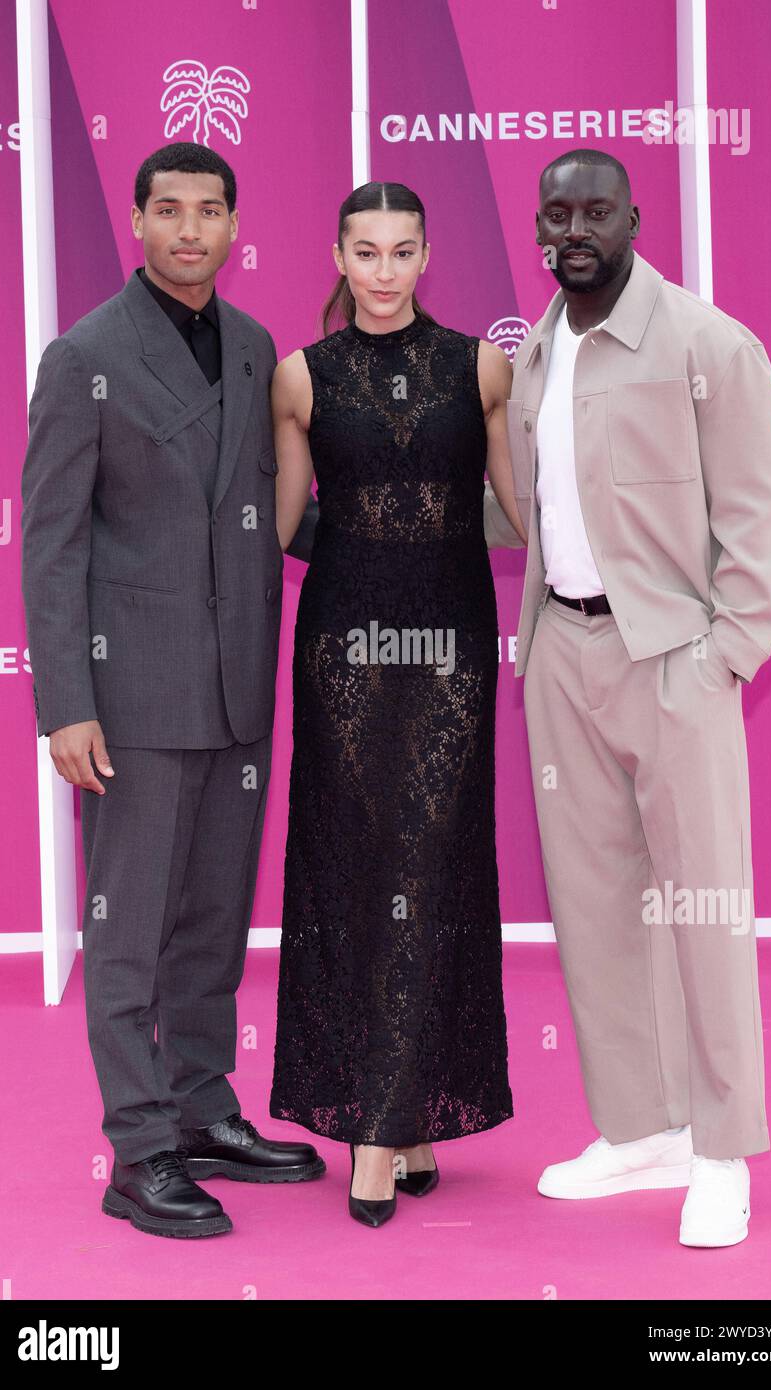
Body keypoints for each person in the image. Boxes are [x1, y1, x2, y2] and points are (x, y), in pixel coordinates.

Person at [484, 149, 771, 1247]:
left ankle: (721, 1151)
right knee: (598, 909)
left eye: (595, 210)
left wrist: (722, 657)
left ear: (632, 218)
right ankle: (639, 1128)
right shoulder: (533, 356)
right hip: (558, 653)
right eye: (555, 212)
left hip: (670, 659)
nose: (574, 228)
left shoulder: (708, 342)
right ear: (538, 227)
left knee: (702, 910)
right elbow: (535, 507)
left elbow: (760, 515)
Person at [20, 142, 325, 1240]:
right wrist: (65, 702)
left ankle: (201, 1110)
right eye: (168, 211)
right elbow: (49, 545)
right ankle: (139, 1148)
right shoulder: (84, 355)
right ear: (140, 223)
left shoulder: (252, 350)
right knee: (128, 931)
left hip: (238, 686)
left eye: (208, 211)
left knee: (209, 923)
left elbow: (279, 511)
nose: (189, 229)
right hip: (131, 696)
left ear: (233, 226)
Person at [269, 181, 525, 1227]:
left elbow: (518, 507)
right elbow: (285, 523)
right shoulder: (299, 375)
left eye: (402, 251)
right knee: (363, 867)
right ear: (337, 253)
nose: (382, 271)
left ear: (426, 257)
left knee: (431, 864)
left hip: (451, 652)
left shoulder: (482, 363)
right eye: (364, 251)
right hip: (344, 653)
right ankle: (390, 1122)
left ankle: (393, 1121)